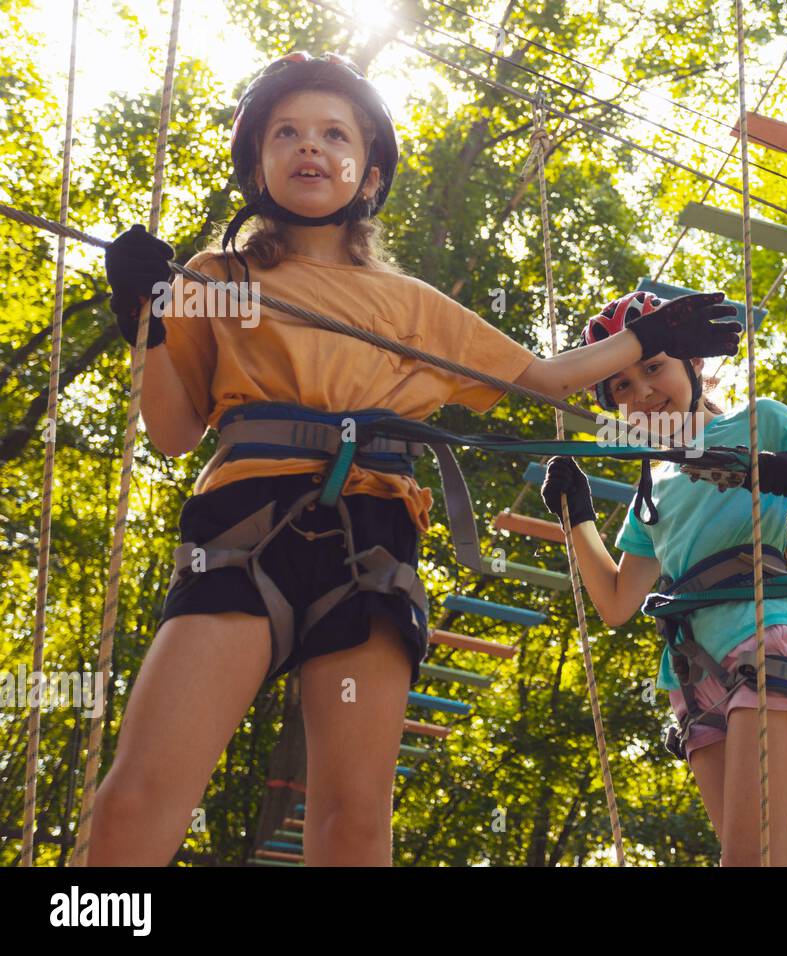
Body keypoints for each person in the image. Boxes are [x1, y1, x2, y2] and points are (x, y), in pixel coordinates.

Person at [92, 53, 740, 866]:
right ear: (257, 163)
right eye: (286, 133)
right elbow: (174, 431)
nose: (310, 147)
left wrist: (648, 337)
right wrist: (143, 315)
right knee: (135, 799)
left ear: (367, 175)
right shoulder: (216, 278)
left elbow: (543, 377)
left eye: (335, 134)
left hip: (371, 540)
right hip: (242, 526)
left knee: (355, 822)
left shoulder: (411, 306)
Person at [540, 290, 787, 866]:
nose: (643, 392)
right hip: (692, 677)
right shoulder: (650, 494)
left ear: (694, 363)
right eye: (621, 386)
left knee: (747, 859)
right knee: (769, 855)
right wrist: (577, 517)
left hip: (766, 642)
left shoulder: (759, 423)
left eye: (652, 368)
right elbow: (617, 602)